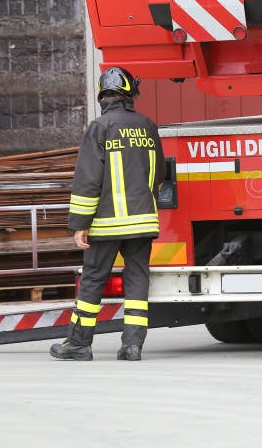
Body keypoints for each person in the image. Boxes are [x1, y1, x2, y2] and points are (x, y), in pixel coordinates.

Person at [50, 67, 165, 361]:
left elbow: (88, 180)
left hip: (106, 223)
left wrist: (79, 224)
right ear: (129, 93)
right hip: (143, 222)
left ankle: (78, 343)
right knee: (137, 280)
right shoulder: (148, 126)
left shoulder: (100, 127)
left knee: (93, 279)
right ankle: (133, 346)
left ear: (103, 95)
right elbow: (159, 173)